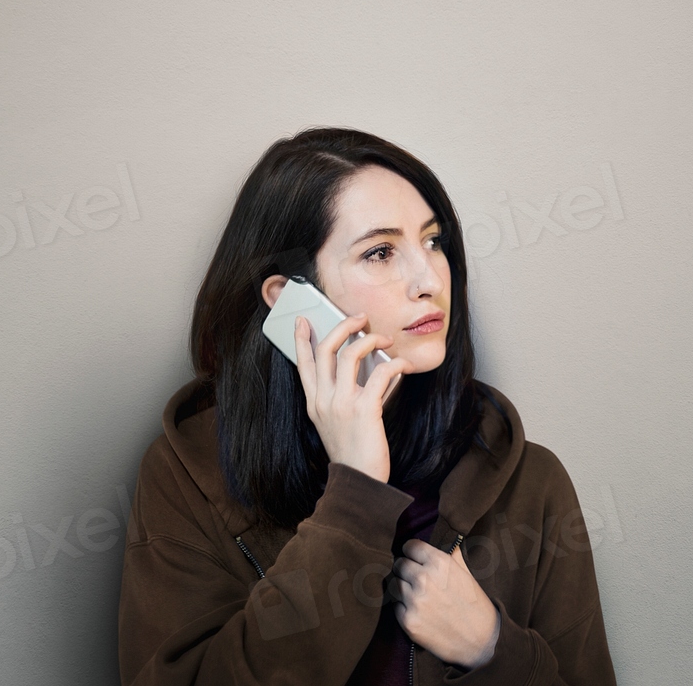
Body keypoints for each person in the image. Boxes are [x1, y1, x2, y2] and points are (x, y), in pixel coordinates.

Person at [117, 127, 617, 685]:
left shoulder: (532, 484)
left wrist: (493, 650)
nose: (429, 279)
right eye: (380, 251)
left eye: (433, 241)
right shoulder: (187, 479)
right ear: (291, 302)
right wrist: (355, 493)